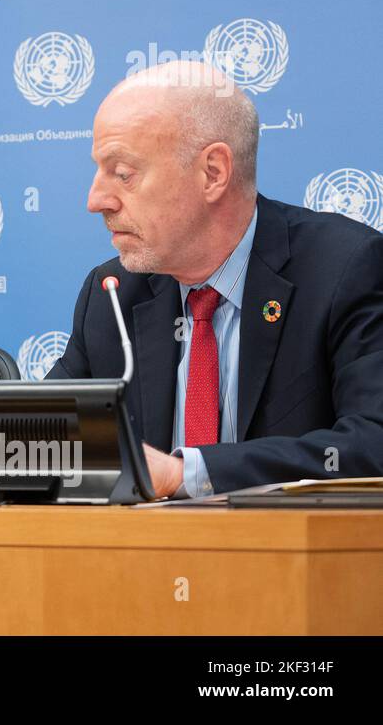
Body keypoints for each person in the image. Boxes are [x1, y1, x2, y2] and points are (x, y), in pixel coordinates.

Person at [49, 60, 383, 497]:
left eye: (123, 174)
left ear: (213, 173)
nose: (96, 200)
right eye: (99, 171)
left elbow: (373, 441)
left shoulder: (344, 268)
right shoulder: (113, 294)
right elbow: (46, 437)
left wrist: (188, 473)